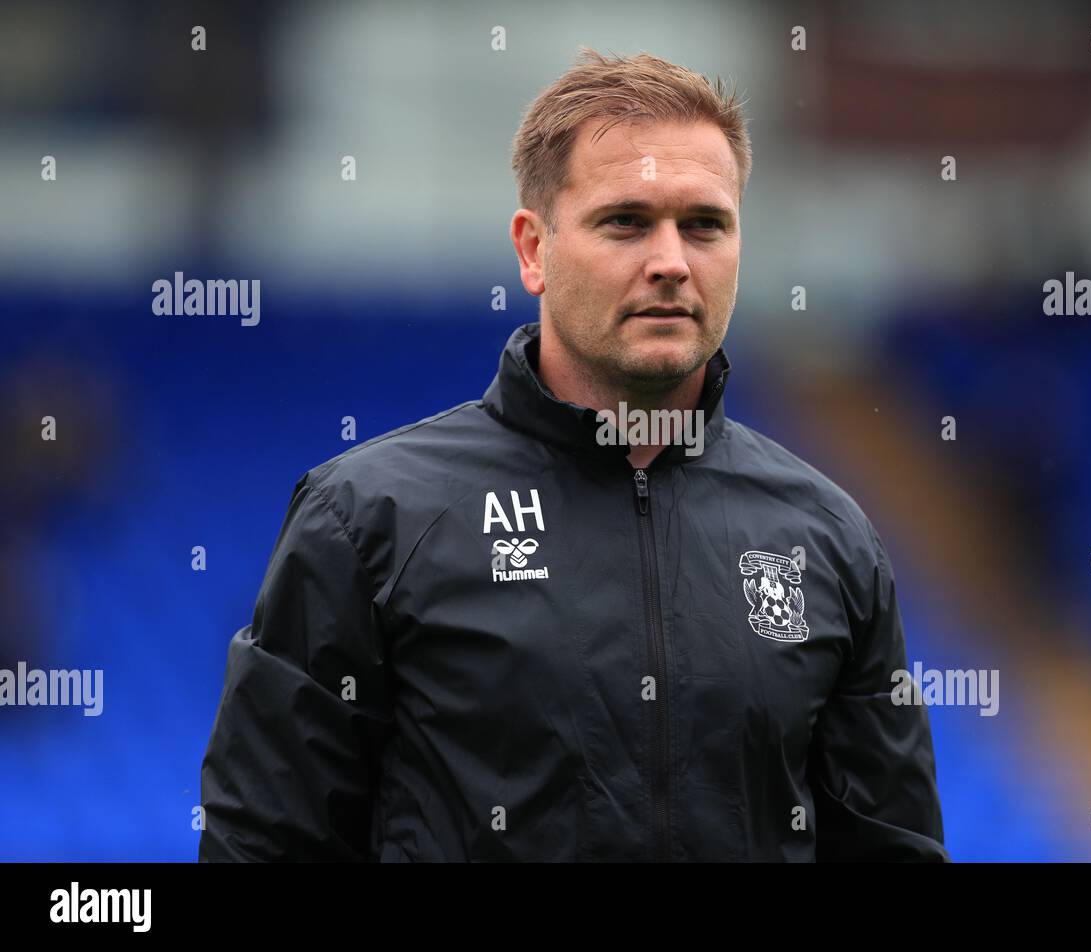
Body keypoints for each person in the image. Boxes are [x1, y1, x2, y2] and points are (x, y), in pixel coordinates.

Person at [199, 47, 947, 862]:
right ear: (533, 249)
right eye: (625, 221)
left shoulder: (826, 536)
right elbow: (263, 847)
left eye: (705, 224)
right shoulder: (368, 517)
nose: (670, 261)